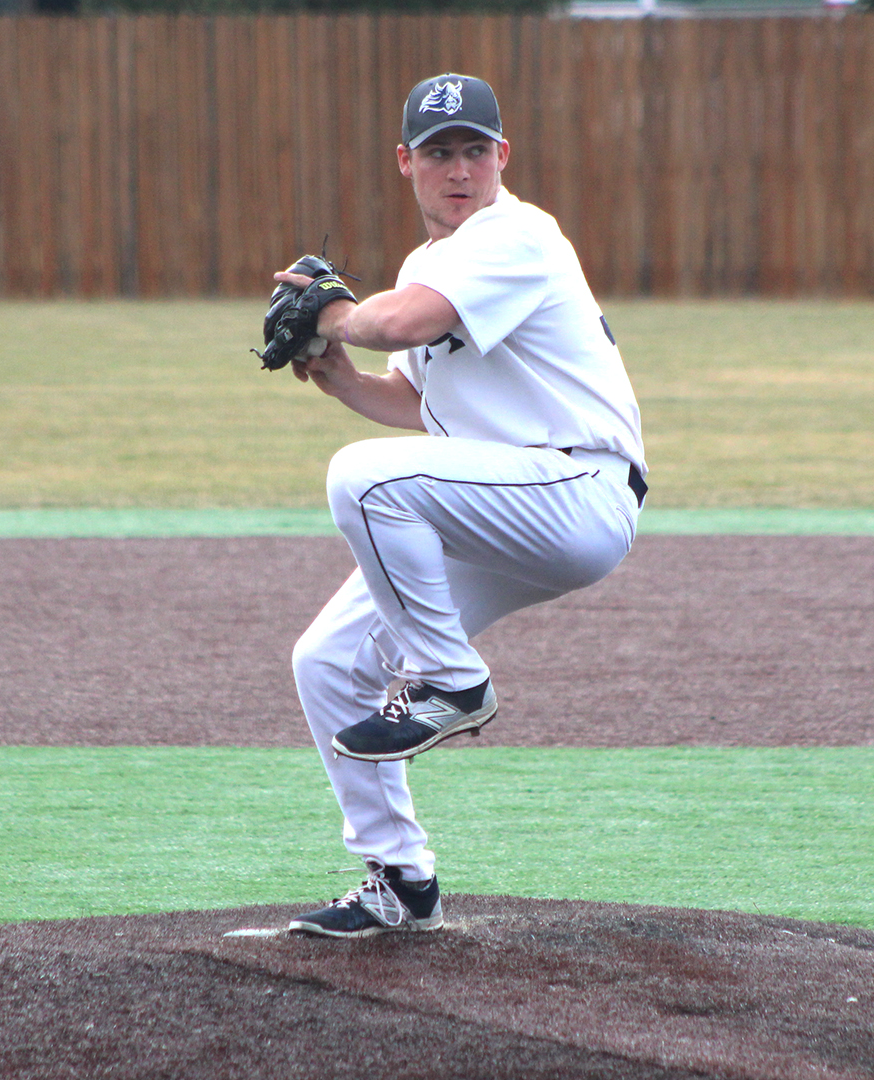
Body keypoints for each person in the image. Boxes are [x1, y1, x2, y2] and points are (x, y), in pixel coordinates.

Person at [279, 73, 647, 938]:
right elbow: (417, 404)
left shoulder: (516, 234)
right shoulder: (426, 266)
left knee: (363, 478)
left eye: (475, 150)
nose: (459, 169)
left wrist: (332, 310)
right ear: (405, 163)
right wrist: (340, 381)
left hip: (579, 492)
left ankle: (450, 679)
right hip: (500, 501)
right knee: (326, 660)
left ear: (502, 156)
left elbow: (401, 323)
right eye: (440, 152)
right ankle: (399, 878)